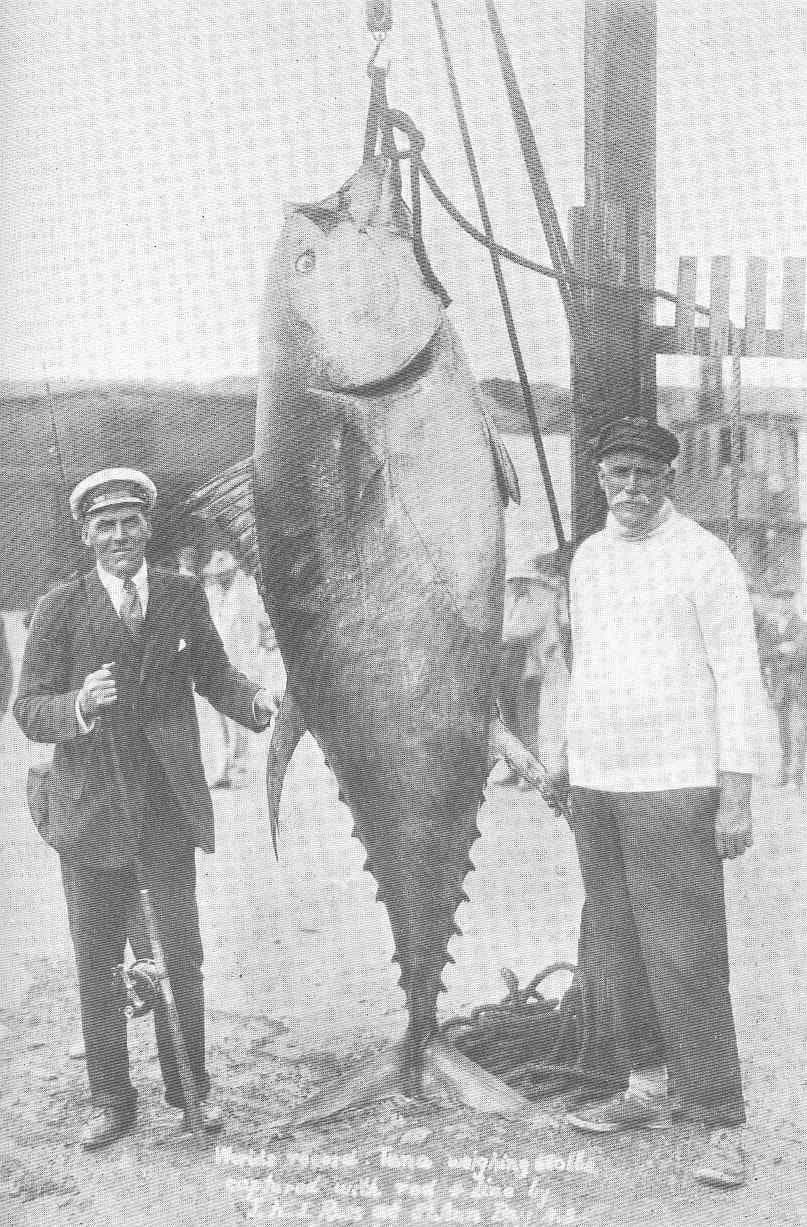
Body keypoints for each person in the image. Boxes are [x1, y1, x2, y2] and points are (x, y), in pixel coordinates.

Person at [13, 468, 277, 1151]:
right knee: (99, 962)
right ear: (87, 535)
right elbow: (28, 708)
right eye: (105, 525)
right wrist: (78, 704)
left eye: (130, 521)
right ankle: (111, 1099)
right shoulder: (60, 606)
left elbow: (214, 673)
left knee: (177, 957)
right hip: (89, 814)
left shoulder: (183, 594)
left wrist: (254, 701)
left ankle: (190, 1091)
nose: (119, 535)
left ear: (147, 526)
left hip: (164, 811)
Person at [548, 416, 768, 1189]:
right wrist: (567, 753)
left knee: (686, 953)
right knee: (616, 947)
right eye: (619, 473)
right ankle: (644, 1088)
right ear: (600, 478)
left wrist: (735, 793)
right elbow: (588, 666)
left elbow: (738, 675)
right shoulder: (588, 558)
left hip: (675, 783)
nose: (632, 487)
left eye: (646, 473)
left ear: (668, 479)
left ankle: (718, 1120)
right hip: (599, 782)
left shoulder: (704, 557)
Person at [201, 548, 273, 788]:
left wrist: (261, 649)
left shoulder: (248, 591)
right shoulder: (210, 595)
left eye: (225, 573)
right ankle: (224, 767)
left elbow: (265, 624)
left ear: (234, 571)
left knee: (240, 717)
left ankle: (240, 768)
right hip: (216, 665)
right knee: (218, 720)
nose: (221, 577)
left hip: (244, 664)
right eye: (217, 574)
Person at [755, 580, 807, 789]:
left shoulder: (802, 626)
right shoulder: (769, 627)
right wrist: (781, 649)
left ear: (792, 602)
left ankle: (796, 776)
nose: (783, 604)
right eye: (779, 600)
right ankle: (784, 773)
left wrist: (785, 653)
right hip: (778, 688)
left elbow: (802, 655)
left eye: (787, 600)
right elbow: (761, 654)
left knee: (799, 732)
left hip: (799, 687)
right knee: (783, 732)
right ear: (775, 602)